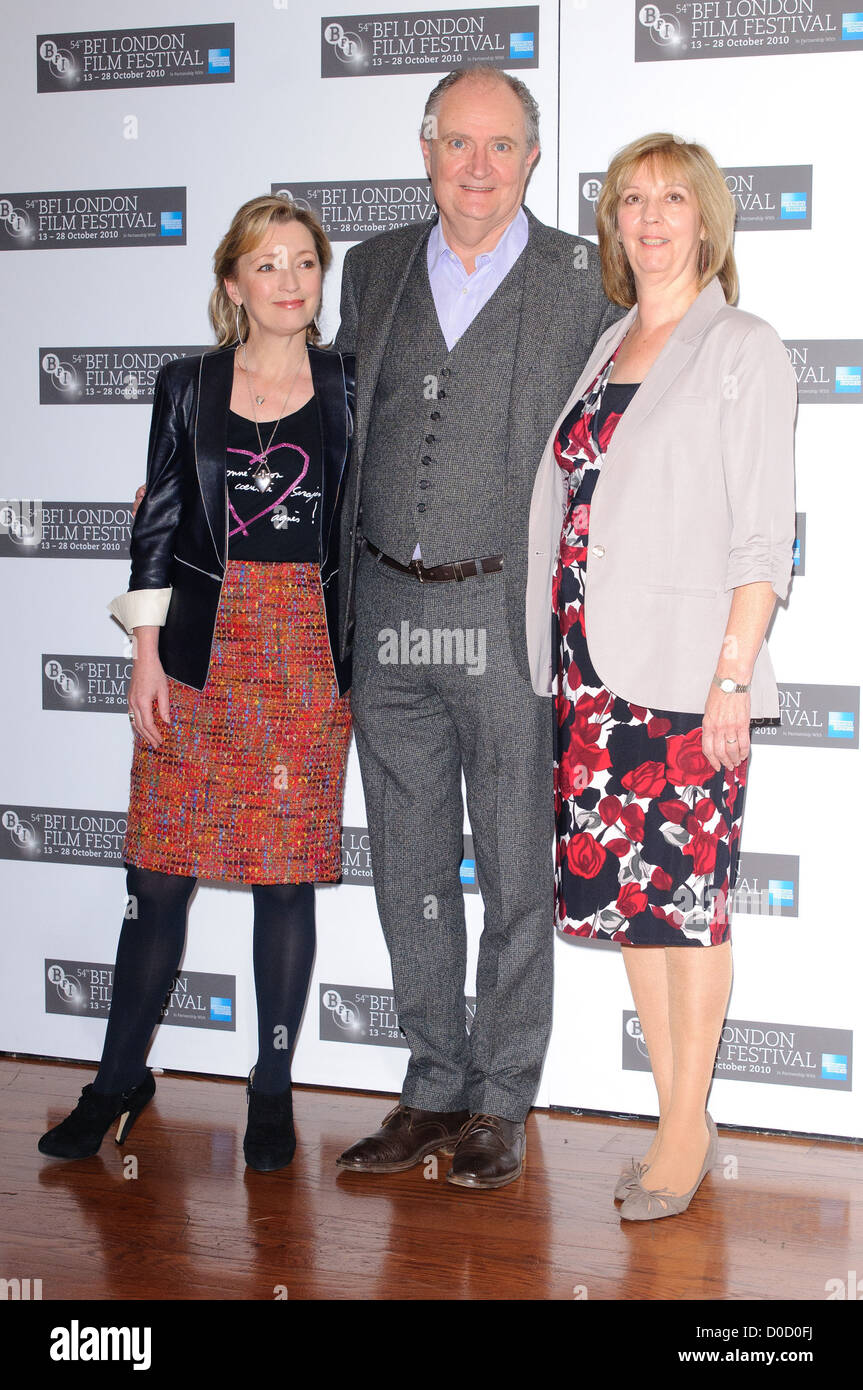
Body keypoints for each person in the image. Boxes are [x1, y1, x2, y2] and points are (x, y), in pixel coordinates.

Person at [332, 65, 620, 1189]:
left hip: (504, 610)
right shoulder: (369, 269)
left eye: (500, 146)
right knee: (407, 863)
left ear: (533, 158)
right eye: (458, 143)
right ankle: (431, 1082)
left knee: (510, 863)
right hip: (387, 609)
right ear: (425, 149)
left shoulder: (579, 277)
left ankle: (502, 1097)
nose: (478, 166)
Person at [38, 195, 355, 1172]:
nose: (290, 281)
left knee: (285, 875)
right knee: (157, 876)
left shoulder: (351, 381)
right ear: (232, 284)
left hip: (308, 647)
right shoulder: (187, 384)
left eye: (304, 262)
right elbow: (160, 520)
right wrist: (144, 650)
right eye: (267, 264)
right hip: (198, 648)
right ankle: (117, 1079)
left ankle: (269, 1086)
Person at [526, 133, 797, 1219]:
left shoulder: (742, 345)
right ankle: (671, 1111)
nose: (648, 218)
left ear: (705, 220)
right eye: (629, 199)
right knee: (631, 906)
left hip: (689, 675)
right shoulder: (606, 343)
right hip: (591, 673)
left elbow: (759, 536)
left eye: (670, 199)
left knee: (688, 904)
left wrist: (730, 675)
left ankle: (685, 1127)